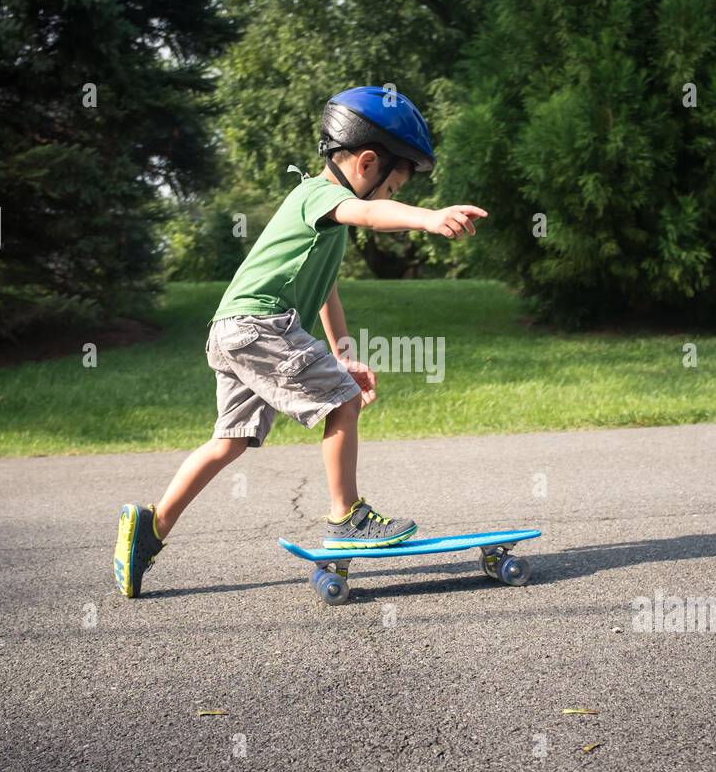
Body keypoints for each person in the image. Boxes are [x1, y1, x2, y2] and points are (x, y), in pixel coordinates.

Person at [112, 86, 487, 597]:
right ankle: (346, 517)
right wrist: (427, 217)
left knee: (230, 441)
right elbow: (372, 216)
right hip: (260, 327)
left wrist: (343, 356)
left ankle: (149, 529)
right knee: (344, 404)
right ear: (367, 162)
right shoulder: (323, 196)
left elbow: (327, 289)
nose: (391, 196)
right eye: (394, 185)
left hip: (233, 330)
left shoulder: (320, 216)